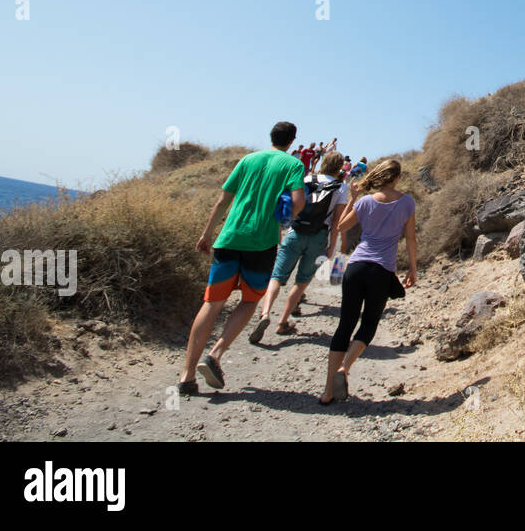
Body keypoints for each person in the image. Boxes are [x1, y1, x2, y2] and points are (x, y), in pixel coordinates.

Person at [178, 121, 305, 395]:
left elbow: (222, 200)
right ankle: (216, 354)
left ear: (270, 136)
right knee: (249, 300)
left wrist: (206, 234)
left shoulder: (248, 159)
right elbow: (298, 202)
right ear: (292, 141)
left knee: (212, 303)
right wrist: (283, 221)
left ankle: (186, 377)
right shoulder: (292, 165)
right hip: (261, 244)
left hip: (228, 238)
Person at [320, 159, 416, 405]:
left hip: (356, 266)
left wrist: (353, 197)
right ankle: (345, 367)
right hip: (381, 270)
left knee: (345, 324)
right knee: (369, 324)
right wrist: (413, 269)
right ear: (396, 178)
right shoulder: (406, 202)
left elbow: (341, 226)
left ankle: (327, 391)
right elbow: (411, 239)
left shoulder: (365, 201)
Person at [249, 152, 350, 344]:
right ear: (339, 167)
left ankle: (265, 313)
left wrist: (280, 228)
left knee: (277, 276)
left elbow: (287, 202)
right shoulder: (341, 187)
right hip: (319, 236)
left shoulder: (306, 178)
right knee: (302, 280)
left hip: (295, 232)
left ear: (323, 162)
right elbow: (337, 221)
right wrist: (331, 246)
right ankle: (283, 321)